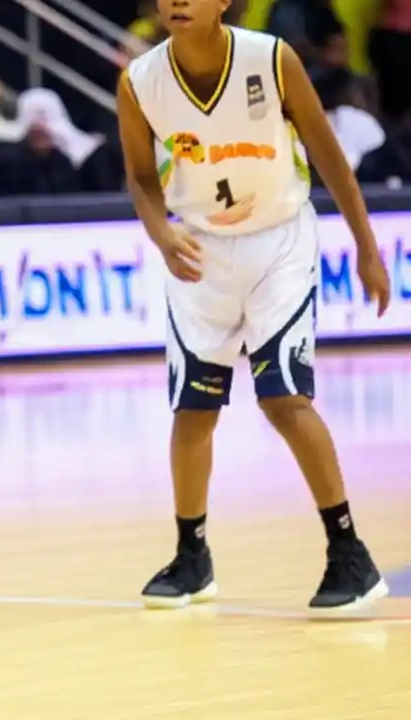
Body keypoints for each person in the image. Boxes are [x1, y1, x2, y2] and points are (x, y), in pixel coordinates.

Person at [118, 0, 392, 615]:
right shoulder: (140, 80)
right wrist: (160, 233)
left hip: (279, 239)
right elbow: (139, 176)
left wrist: (368, 250)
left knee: (283, 399)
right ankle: (192, 557)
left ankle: (349, 552)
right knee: (193, 407)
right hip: (199, 248)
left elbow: (327, 155)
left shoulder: (270, 58)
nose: (178, 1)